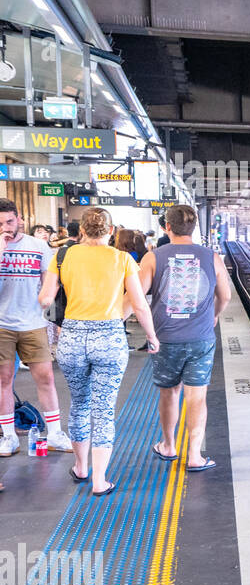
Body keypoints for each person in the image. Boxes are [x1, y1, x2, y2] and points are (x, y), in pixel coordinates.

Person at [37, 207, 160, 496]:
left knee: (79, 404)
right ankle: (100, 480)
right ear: (111, 231)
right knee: (103, 410)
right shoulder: (122, 259)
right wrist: (152, 336)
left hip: (72, 337)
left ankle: (81, 468)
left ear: (81, 230)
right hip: (109, 337)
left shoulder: (63, 256)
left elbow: (45, 299)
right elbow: (139, 304)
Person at [138, 205, 230, 472]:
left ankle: (168, 446)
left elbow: (138, 298)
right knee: (197, 397)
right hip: (200, 339)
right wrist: (213, 315)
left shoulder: (153, 257)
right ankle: (194, 456)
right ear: (194, 227)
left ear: (167, 227)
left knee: (169, 394)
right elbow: (225, 296)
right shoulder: (212, 257)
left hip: (165, 338)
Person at [0, 200, 74, 456]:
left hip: (33, 323)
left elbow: (48, 283)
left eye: (9, 221)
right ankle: (9, 436)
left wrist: (49, 310)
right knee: (4, 380)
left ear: (19, 219)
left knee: (46, 377)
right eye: (0, 223)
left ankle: (54, 433)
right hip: (2, 324)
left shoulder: (38, 246)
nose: (5, 228)